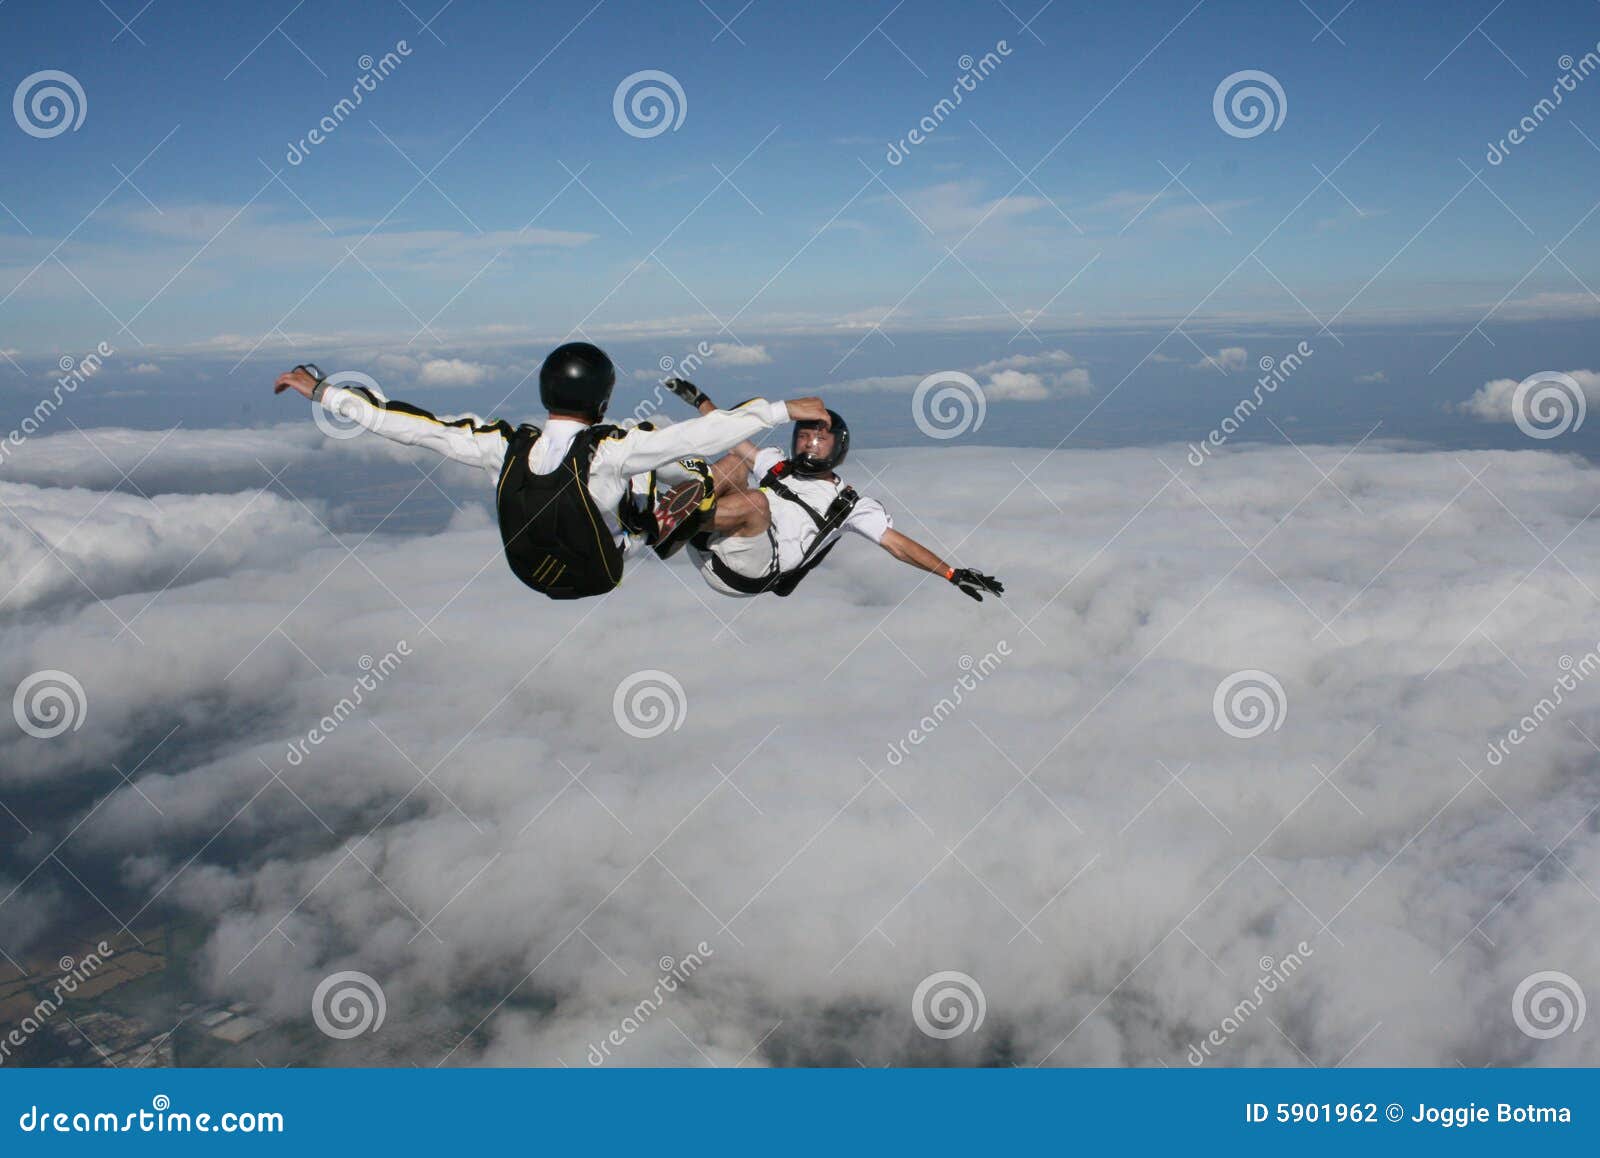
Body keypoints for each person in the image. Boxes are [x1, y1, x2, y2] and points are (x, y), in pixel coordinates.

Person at [273, 343, 828, 599]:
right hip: (599, 572)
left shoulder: (504, 446)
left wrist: (325, 392)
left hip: (533, 571)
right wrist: (780, 410)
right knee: (689, 472)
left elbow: (411, 425)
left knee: (659, 459)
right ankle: (653, 529)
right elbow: (699, 437)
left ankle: (651, 519)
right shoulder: (610, 449)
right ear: (603, 402)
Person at [661, 377, 1004, 602]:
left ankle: (672, 519)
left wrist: (950, 572)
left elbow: (898, 546)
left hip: (746, 572)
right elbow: (733, 434)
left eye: (820, 439)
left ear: (837, 448)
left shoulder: (851, 505)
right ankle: (665, 522)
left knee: (755, 501)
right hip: (715, 545)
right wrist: (700, 400)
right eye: (804, 436)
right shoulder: (776, 464)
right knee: (732, 464)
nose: (810, 444)